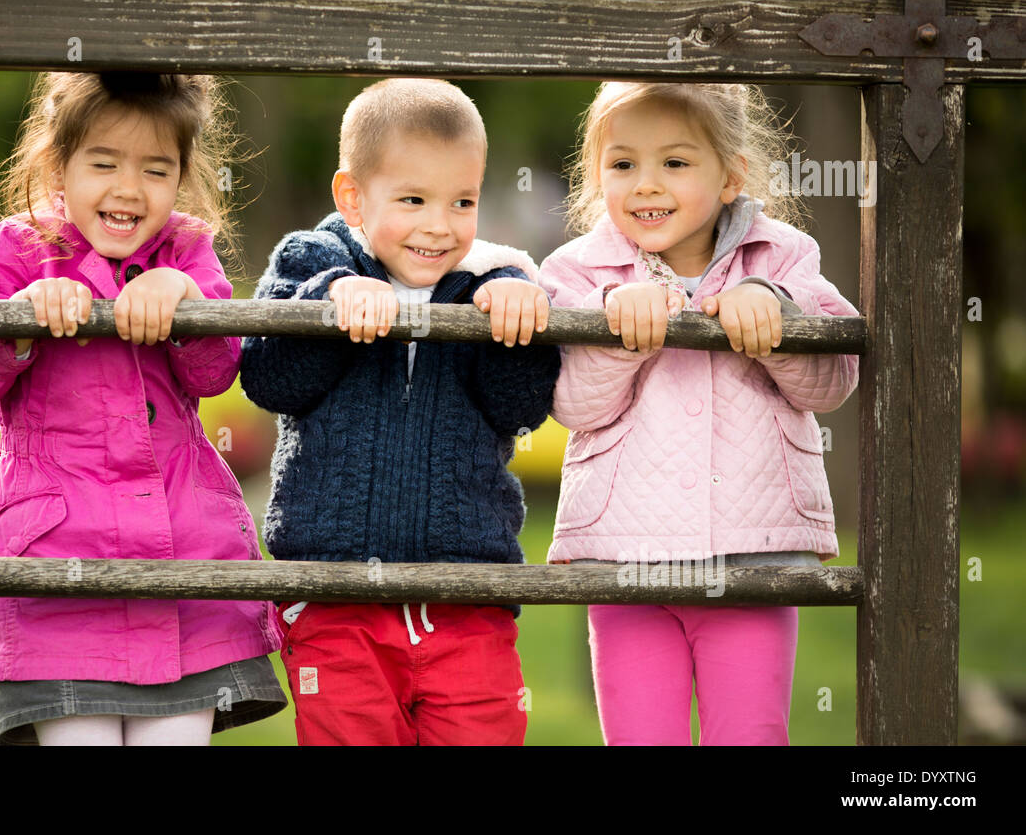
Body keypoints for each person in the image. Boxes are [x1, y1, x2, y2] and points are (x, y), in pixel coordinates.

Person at [0, 71, 285, 746]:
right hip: (59, 571)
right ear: (58, 165)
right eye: (104, 163)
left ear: (181, 177)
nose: (129, 189)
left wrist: (184, 299)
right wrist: (16, 324)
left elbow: (216, 373)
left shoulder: (185, 250)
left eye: (156, 170)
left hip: (184, 570)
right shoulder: (17, 250)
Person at [240, 78, 561, 745]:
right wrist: (331, 303)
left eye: (462, 201)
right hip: (336, 595)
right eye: (412, 199)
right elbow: (270, 380)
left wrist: (513, 324)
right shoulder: (311, 262)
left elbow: (522, 409)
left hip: (466, 593)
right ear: (353, 198)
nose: (439, 225)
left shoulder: (489, 283)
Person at [538, 81, 860, 745]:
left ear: (732, 176)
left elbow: (831, 384)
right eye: (623, 164)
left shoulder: (785, 258)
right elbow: (570, 403)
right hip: (626, 561)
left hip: (753, 558)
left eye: (675, 163)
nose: (646, 185)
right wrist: (617, 337)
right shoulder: (576, 273)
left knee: (750, 735)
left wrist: (774, 317)